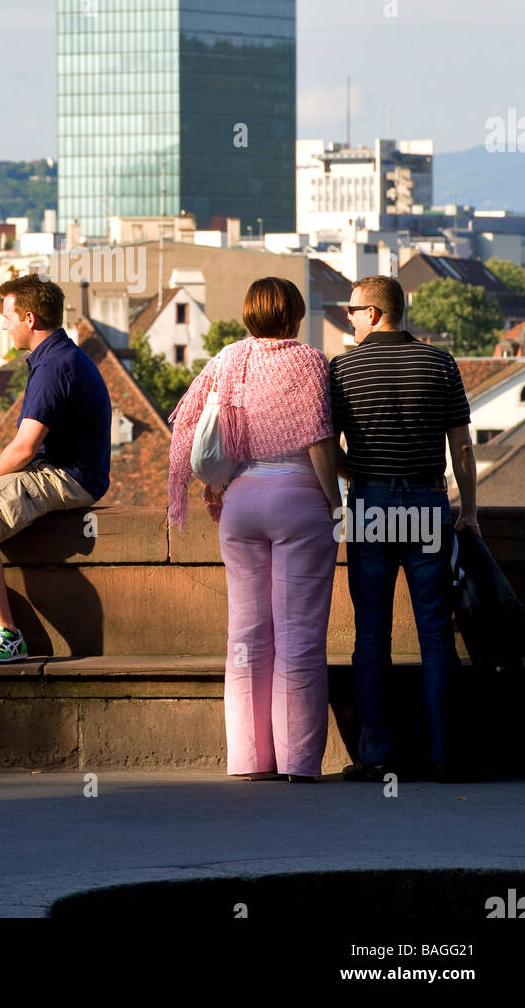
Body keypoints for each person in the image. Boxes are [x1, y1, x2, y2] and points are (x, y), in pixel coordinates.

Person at [169, 277, 341, 781]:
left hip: (240, 505)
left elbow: (190, 424)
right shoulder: (307, 360)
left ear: (249, 314)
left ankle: (248, 760)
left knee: (245, 636)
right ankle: (299, 762)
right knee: (299, 636)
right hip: (298, 503)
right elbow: (317, 438)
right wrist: (335, 501)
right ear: (293, 315)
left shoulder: (227, 359)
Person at [329, 275, 476, 781]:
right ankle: (443, 756)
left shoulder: (343, 368)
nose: (346, 317)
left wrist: (359, 475)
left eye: (351, 309)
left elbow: (328, 448)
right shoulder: (440, 363)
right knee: (436, 635)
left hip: (371, 504)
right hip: (428, 501)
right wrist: (470, 512)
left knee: (372, 635)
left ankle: (376, 756)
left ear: (374, 313)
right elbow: (461, 448)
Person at [0, 274, 111, 664]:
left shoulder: (54, 366)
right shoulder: (61, 355)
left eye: (7, 316)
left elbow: (23, 449)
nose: (4, 325)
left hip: (68, 476)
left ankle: (7, 634)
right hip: (74, 471)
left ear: (30, 319)